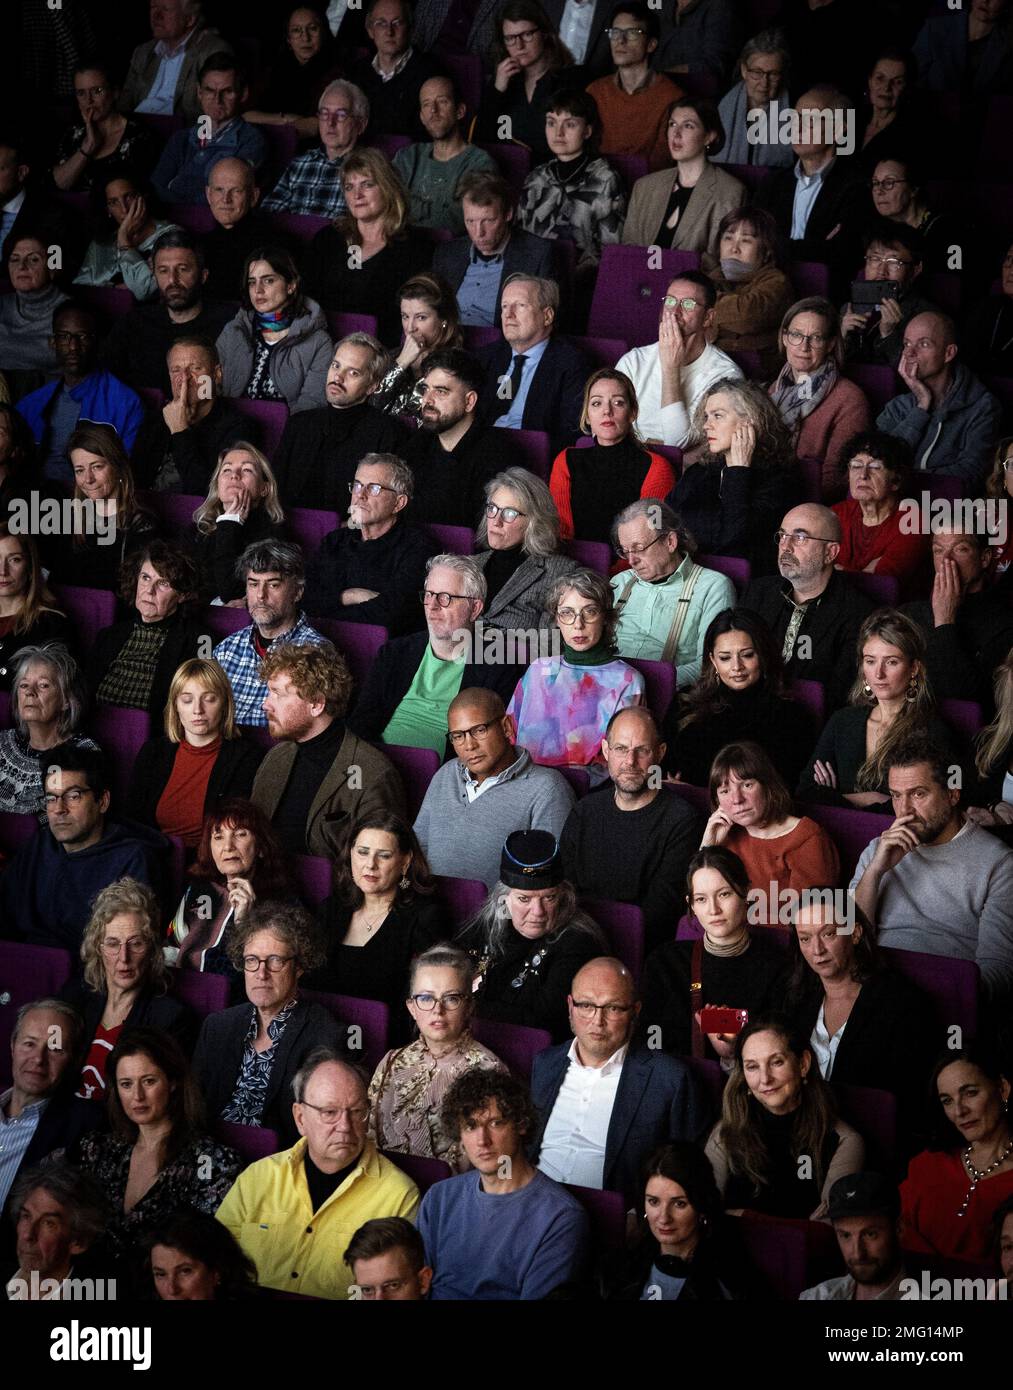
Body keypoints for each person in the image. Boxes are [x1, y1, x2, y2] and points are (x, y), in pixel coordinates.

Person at [216, 1048, 420, 1299]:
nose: (345, 1126)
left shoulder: (398, 1195)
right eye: (329, 1113)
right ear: (300, 1118)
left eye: (356, 1112)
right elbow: (213, 1263)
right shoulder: (258, 1177)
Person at [850, 734, 1013, 1000]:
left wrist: (932, 990)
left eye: (918, 794)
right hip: (872, 989)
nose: (904, 810)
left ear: (952, 794)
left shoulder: (999, 865)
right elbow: (850, 940)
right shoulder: (878, 851)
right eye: (896, 796)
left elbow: (998, 973)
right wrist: (875, 872)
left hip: (940, 999)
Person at [530, 956, 705, 1202]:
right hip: (532, 1199)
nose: (597, 1021)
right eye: (586, 1006)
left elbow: (687, 1173)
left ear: (635, 1011)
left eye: (612, 1008)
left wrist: (642, 1215)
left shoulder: (670, 1079)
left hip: (610, 1213)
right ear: (570, 1006)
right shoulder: (545, 1063)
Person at [418, 1067, 590, 1299]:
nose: (482, 1141)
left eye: (496, 1123)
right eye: (470, 1126)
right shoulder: (440, 1197)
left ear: (521, 1124)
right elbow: (414, 1286)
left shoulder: (561, 1216)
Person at [71, 1029, 240, 1263]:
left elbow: (203, 1253)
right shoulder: (97, 1149)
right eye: (126, 1084)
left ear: (172, 1083)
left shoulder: (211, 1161)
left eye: (149, 1081)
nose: (137, 1096)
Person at [192, 904, 347, 1144]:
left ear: (299, 966)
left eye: (275, 961)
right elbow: (194, 1107)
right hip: (208, 1152)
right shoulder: (217, 1026)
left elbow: (311, 1132)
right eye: (252, 960)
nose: (261, 973)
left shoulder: (324, 1035)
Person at [348, 554, 523, 757]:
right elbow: (361, 724)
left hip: (445, 776)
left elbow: (485, 748)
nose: (432, 605)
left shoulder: (497, 667)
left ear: (474, 608)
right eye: (429, 594)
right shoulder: (394, 653)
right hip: (377, 762)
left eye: (445, 597)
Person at [0, 745, 168, 954]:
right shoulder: (40, 844)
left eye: (74, 796)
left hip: (86, 976)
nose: (59, 809)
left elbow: (127, 950)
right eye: (51, 798)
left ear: (103, 802)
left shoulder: (133, 859)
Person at [785, 895, 938, 1123]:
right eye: (805, 939)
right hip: (798, 1125)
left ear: (855, 933)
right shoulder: (796, 998)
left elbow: (905, 1098)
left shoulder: (901, 1003)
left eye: (828, 934)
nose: (817, 950)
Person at [561, 707, 701, 950]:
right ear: (606, 750)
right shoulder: (584, 811)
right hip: (574, 942)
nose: (630, 762)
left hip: (639, 949)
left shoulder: (682, 820)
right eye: (621, 749)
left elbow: (661, 914)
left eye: (642, 751)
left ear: (660, 753)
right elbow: (563, 891)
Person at [252, 643, 406, 856]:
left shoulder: (373, 773)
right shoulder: (276, 757)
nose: (266, 704)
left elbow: (378, 868)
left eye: (278, 694)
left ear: (316, 705)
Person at [414, 688, 576, 889]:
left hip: (495, 916)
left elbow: (546, 880)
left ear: (506, 727)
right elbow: (417, 848)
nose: (469, 745)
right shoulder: (446, 774)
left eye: (479, 730)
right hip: (430, 909)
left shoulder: (547, 788)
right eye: (458, 736)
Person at [705, 1015, 865, 1219]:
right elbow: (705, 1213)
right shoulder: (726, 1131)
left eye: (777, 1062)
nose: (765, 1079)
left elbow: (824, 1230)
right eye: (752, 1067)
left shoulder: (844, 1141)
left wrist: (742, 1216)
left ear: (803, 1064)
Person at [797, 610, 955, 811]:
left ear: (914, 668)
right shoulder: (842, 721)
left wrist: (835, 796)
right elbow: (805, 792)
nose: (878, 674)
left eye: (891, 662)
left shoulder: (931, 731)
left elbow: (930, 806)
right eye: (870, 661)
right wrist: (872, 798)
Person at [457, 830, 608, 1039]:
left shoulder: (578, 943)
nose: (538, 911)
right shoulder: (486, 927)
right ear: (504, 899)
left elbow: (544, 1020)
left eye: (549, 898)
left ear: (563, 898)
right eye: (524, 899)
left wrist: (466, 1007)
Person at [367, 945, 506, 1171]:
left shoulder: (488, 1070)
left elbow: (479, 1159)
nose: (437, 1010)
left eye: (451, 999)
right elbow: (368, 1133)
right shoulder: (393, 1060)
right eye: (425, 998)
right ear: (411, 1007)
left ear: (469, 1005)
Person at [639, 847, 785, 1061]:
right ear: (691, 905)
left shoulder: (777, 967)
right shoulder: (664, 963)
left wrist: (734, 1051)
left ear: (746, 893)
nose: (713, 909)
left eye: (724, 894)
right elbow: (649, 1043)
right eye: (701, 899)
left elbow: (781, 1053)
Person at [65, 877, 194, 1106]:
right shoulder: (74, 999)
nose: (123, 958)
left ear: (153, 949)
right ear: (98, 948)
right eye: (113, 943)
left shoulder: (170, 1019)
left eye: (136, 943)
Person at [309, 813, 444, 1024]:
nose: (370, 865)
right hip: (320, 1029)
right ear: (351, 853)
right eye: (362, 852)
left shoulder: (425, 917)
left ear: (405, 862)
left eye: (384, 855)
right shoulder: (331, 908)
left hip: (385, 1038)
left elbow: (420, 1001)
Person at [740, 502, 874, 711]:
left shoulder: (858, 613)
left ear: (830, 552)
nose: (786, 546)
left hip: (808, 719)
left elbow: (839, 695)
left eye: (800, 537)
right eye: (783, 535)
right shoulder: (758, 592)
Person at [508, 570, 645, 772]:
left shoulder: (628, 680)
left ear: (606, 617)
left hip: (586, 788)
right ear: (556, 618)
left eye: (590, 611)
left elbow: (622, 761)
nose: (578, 625)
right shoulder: (539, 669)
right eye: (567, 613)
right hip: (522, 781)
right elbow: (508, 736)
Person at [669, 608, 814, 789]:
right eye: (725, 658)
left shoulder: (792, 717)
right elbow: (663, 769)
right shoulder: (686, 702)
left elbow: (788, 788)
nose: (736, 666)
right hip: (688, 811)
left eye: (747, 655)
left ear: (763, 655)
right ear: (713, 660)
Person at [127, 658, 263, 846]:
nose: (197, 710)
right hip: (154, 855)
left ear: (225, 703)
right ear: (175, 705)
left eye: (209, 699)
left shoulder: (247, 757)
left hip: (211, 862)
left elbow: (236, 831)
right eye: (187, 700)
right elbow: (134, 820)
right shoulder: (154, 752)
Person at [702, 741, 840, 924]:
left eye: (747, 785)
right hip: (725, 939)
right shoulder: (724, 837)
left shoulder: (808, 838)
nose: (736, 799)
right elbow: (697, 907)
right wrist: (707, 847)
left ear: (768, 785)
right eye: (725, 790)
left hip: (776, 944)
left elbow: (805, 925)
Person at [602, 1142, 759, 1301]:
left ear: (702, 1205)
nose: (664, 1218)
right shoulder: (621, 1265)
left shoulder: (726, 1282)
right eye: (653, 1202)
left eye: (679, 1204)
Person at [669, 378, 800, 569]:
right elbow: (667, 521)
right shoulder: (700, 471)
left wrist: (738, 472)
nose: (707, 425)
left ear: (750, 420)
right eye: (706, 416)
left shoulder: (780, 479)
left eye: (717, 416)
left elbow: (733, 541)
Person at [303, 148, 429, 345]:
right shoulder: (329, 239)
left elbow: (411, 316)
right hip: (320, 345)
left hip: (380, 351)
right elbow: (307, 300)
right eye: (349, 187)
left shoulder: (413, 246)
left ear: (388, 187)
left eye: (367, 185)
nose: (357, 195)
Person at [272, 333, 411, 511]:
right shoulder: (299, 423)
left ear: (372, 386)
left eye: (353, 373)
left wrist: (352, 528)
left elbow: (383, 508)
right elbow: (274, 492)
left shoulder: (389, 433)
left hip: (353, 534)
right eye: (336, 366)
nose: (338, 377)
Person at [900, 1046, 1013, 1263]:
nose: (959, 1111)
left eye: (970, 1093)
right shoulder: (927, 1164)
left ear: (1002, 1089)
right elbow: (893, 1228)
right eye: (947, 1101)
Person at [305, 452, 438, 633]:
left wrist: (330, 607)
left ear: (399, 503)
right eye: (357, 486)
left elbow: (392, 615)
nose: (360, 495)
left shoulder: (418, 548)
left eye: (374, 488)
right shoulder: (335, 540)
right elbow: (304, 599)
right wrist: (349, 596)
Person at [165, 798, 294, 983]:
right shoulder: (201, 890)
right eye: (218, 837)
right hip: (183, 989)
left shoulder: (282, 903)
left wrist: (244, 923)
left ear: (261, 847)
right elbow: (173, 945)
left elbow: (265, 978)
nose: (228, 846)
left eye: (240, 835)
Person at [754, 86, 868, 296]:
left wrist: (779, 247)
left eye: (809, 120)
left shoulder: (857, 187)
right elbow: (756, 239)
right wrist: (814, 246)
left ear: (838, 129)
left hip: (826, 293)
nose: (796, 127)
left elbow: (841, 252)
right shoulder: (774, 182)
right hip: (766, 288)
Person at [16, 302, 143, 482]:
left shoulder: (125, 402)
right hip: (32, 498)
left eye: (82, 337)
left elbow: (126, 473)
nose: (73, 346)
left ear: (97, 342)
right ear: (53, 342)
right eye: (64, 337)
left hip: (90, 501)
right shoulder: (31, 404)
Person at [614, 271, 743, 447]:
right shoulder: (634, 361)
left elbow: (678, 443)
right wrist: (643, 448)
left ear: (707, 318)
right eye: (670, 301)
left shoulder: (726, 375)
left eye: (688, 304)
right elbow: (607, 429)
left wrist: (671, 369)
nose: (675, 311)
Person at [549, 370, 677, 544]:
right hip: (571, 566)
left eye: (618, 402)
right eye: (596, 403)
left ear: (633, 412)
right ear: (587, 415)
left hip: (631, 567)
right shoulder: (565, 461)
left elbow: (650, 541)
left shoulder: (657, 468)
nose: (607, 411)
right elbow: (561, 532)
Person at [99, 230, 233, 396]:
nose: (172, 280)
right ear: (154, 275)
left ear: (203, 276)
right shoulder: (133, 323)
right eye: (163, 271)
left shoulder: (229, 323)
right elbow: (104, 383)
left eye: (183, 269)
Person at [211, 540, 329, 727]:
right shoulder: (226, 650)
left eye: (273, 585)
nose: (260, 595)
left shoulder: (316, 652)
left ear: (297, 592)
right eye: (253, 584)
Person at [876, 311, 1002, 486]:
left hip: (949, 508)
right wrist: (921, 408)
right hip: (897, 507)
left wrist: (905, 481)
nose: (910, 352)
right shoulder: (897, 407)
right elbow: (879, 464)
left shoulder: (983, 407)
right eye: (907, 343)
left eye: (924, 344)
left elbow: (971, 472)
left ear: (948, 353)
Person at [0, 1000, 99, 1217]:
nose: (38, 1059)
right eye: (29, 1044)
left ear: (74, 1060)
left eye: (55, 1049)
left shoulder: (83, 1129)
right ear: (12, 1046)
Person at [516, 87, 626, 282]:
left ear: (587, 131)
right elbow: (519, 239)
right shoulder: (536, 177)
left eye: (570, 124)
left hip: (582, 284)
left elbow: (612, 252)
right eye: (551, 123)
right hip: (532, 281)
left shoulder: (605, 179)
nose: (558, 132)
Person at [473, 275, 592, 452]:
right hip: (480, 450)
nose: (508, 314)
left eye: (520, 305)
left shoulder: (572, 364)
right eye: (504, 306)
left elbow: (571, 431)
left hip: (532, 456)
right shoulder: (485, 357)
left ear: (547, 316)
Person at [85, 541, 203, 719]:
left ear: (182, 594)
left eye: (163, 583)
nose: (149, 591)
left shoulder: (198, 640)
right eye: (145, 578)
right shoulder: (109, 636)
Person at [768, 297, 872, 499]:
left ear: (831, 344)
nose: (804, 346)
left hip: (809, 504)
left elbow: (836, 478)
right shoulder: (774, 390)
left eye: (816, 338)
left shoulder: (850, 399)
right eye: (796, 335)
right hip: (767, 496)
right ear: (784, 338)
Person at [902, 525, 1013, 709]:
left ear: (984, 558)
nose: (946, 560)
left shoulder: (1004, 625)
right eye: (938, 550)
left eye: (960, 549)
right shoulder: (909, 614)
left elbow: (966, 701)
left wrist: (945, 622)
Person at [431, 171, 555, 329]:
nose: (479, 233)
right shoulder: (446, 253)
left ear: (508, 214)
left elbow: (546, 322)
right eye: (470, 221)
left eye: (488, 221)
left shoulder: (537, 254)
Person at [215, 248, 331, 415]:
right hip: (230, 427)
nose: (258, 290)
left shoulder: (319, 341)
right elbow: (210, 385)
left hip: (286, 432)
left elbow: (311, 406)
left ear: (291, 286)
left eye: (268, 281)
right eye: (252, 282)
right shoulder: (233, 331)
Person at [622, 97, 745, 254]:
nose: (676, 133)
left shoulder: (730, 192)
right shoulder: (644, 186)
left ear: (709, 136)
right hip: (641, 277)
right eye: (672, 124)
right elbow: (628, 250)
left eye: (688, 126)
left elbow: (722, 260)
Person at [46, 423, 159, 594]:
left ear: (117, 467)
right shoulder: (68, 517)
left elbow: (134, 592)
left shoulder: (142, 524)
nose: (88, 479)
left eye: (97, 467)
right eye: (79, 470)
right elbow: (56, 581)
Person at [472, 467, 580, 632]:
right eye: (492, 508)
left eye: (509, 513)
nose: (496, 521)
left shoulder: (561, 572)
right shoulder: (470, 565)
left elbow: (549, 644)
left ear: (535, 521)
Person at [150, 53, 266, 205]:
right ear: (199, 92)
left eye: (227, 91)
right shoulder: (181, 138)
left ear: (243, 94)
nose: (217, 100)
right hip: (168, 217)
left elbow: (224, 200)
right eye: (210, 90)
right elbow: (155, 187)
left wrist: (176, 203)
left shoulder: (252, 141)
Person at [0, 644, 97, 821]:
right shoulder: (2, 742)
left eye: (43, 685)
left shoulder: (82, 753)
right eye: (23, 685)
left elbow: (67, 825)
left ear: (66, 701)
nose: (30, 692)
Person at [478, 1, 580, 167]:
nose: (519, 46)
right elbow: (481, 139)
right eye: (510, 38)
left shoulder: (570, 79)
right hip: (506, 174)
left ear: (544, 33)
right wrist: (497, 90)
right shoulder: (504, 82)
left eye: (526, 35)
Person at [392, 75, 497, 233]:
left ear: (460, 111)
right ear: (422, 116)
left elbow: (460, 219)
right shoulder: (407, 156)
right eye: (426, 104)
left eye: (442, 101)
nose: (433, 110)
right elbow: (385, 202)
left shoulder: (480, 163)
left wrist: (406, 206)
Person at [586, 4, 683, 171]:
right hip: (595, 185)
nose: (620, 40)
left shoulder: (672, 97)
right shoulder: (595, 91)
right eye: (615, 32)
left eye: (632, 33)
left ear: (651, 44)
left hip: (646, 188)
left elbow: (663, 162)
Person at [189, 443, 287, 605]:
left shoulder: (273, 536)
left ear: (264, 488)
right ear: (217, 485)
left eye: (247, 470)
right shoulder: (197, 529)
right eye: (226, 470)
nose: (234, 475)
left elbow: (230, 592)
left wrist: (230, 524)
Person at [830, 431, 926, 589]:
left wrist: (837, 571)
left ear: (896, 480)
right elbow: (814, 570)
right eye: (856, 466)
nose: (863, 475)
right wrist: (864, 572)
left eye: (875, 467)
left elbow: (881, 586)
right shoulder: (835, 514)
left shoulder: (913, 522)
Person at [261, 79, 368, 219]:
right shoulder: (299, 164)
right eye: (324, 113)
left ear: (360, 125)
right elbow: (268, 215)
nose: (330, 122)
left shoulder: (369, 170)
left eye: (341, 115)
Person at [800, 1171, 915, 1301]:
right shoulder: (818, 1296)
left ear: (899, 1229)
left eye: (870, 1234)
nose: (858, 1254)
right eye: (846, 1235)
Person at [704, 207, 793, 375]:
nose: (734, 248)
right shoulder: (711, 277)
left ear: (766, 251)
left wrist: (704, 309)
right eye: (728, 238)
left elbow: (746, 315)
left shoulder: (777, 282)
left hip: (754, 378)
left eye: (746, 241)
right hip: (708, 370)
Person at [199, 157, 300, 304]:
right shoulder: (197, 247)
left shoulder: (280, 246)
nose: (226, 199)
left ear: (253, 196)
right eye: (219, 190)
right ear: (208, 195)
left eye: (236, 191)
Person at [841, 221, 935, 370]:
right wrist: (842, 336)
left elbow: (915, 374)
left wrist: (889, 335)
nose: (881, 271)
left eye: (893, 261)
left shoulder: (925, 316)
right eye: (875, 259)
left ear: (915, 269)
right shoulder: (849, 309)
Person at [52, 62, 158, 193]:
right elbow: (60, 184)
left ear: (115, 93)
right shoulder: (74, 132)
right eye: (81, 93)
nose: (88, 100)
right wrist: (87, 147)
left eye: (97, 91)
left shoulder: (138, 136)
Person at [119, 0, 230, 123]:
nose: (156, 15)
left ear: (189, 20)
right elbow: (124, 104)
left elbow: (216, 110)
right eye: (153, 7)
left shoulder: (212, 50)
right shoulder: (143, 52)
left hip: (181, 133)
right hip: (138, 129)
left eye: (166, 9)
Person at [371, 274, 462, 424]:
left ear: (443, 319)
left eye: (421, 317)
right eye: (405, 316)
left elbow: (428, 422)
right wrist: (401, 364)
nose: (410, 328)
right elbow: (371, 410)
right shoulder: (394, 357)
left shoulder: (454, 366)